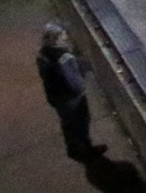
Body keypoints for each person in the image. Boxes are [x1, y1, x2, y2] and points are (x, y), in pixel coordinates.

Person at [37, 24, 103, 162]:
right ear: (57, 37)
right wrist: (81, 88)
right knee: (80, 121)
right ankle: (86, 149)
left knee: (67, 124)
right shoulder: (64, 57)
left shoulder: (42, 53)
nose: (66, 36)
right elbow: (74, 81)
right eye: (63, 34)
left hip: (56, 97)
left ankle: (73, 148)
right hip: (71, 98)